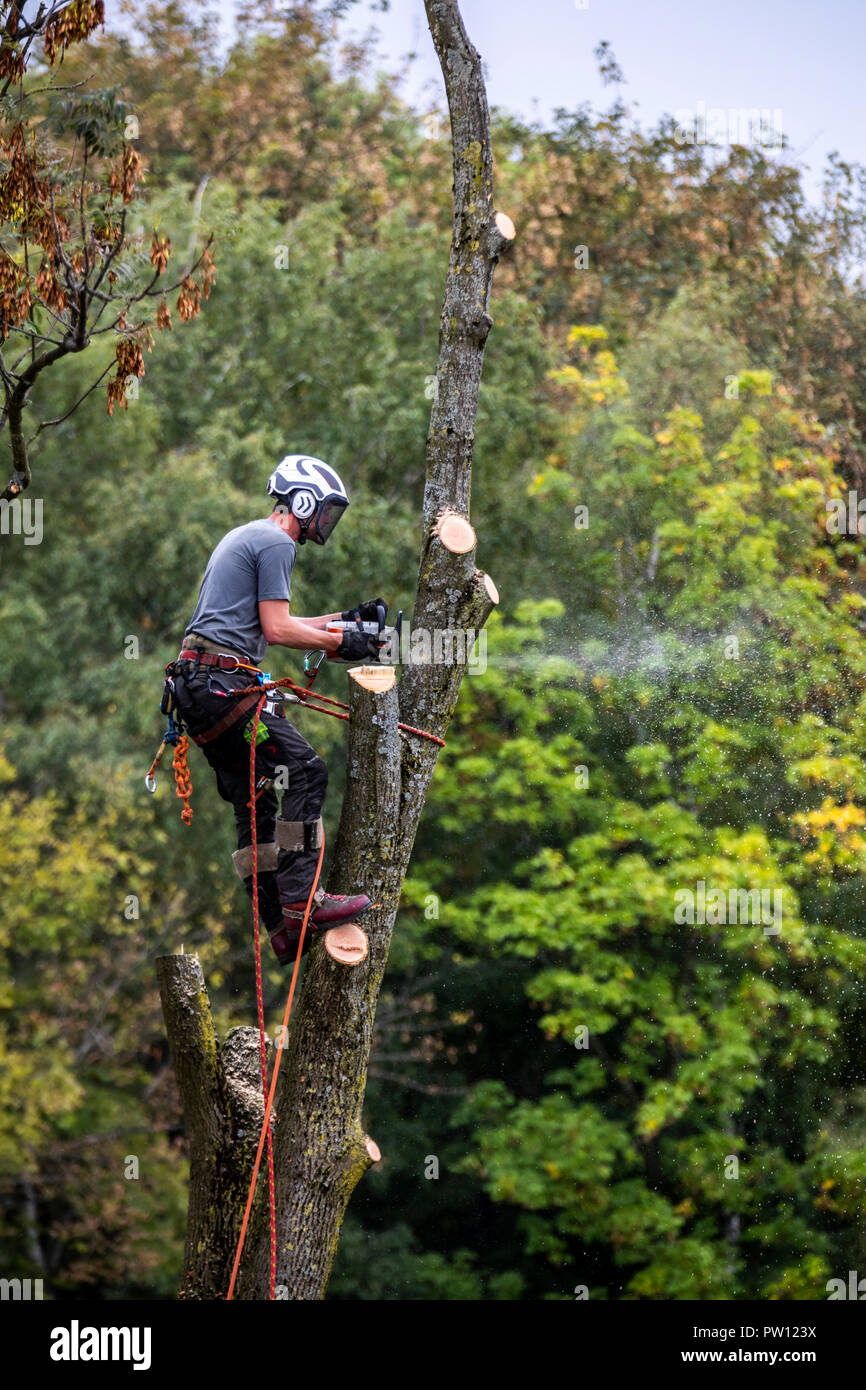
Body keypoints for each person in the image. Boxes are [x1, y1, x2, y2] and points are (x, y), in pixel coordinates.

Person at [169, 454, 383, 964]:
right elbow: (279, 631)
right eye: (325, 513)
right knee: (306, 770)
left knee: (256, 800)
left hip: (201, 686)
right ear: (303, 500)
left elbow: (278, 618)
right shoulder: (275, 542)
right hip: (221, 685)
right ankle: (302, 903)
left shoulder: (250, 536)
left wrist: (342, 623)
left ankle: (279, 929)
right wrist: (340, 646)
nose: (323, 525)